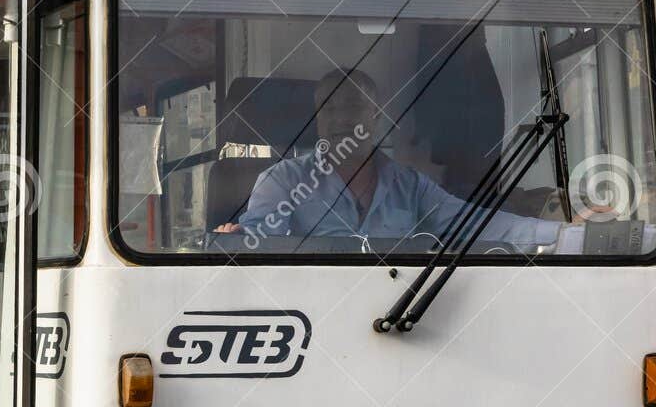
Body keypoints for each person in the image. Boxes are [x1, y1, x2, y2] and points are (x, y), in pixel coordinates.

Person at [216, 69, 565, 249]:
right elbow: (259, 237)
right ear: (317, 118)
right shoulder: (283, 181)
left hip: (398, 319)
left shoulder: (409, 186)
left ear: (374, 115)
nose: (340, 119)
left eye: (352, 106)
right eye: (329, 108)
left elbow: (477, 226)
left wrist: (567, 237)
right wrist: (235, 237)